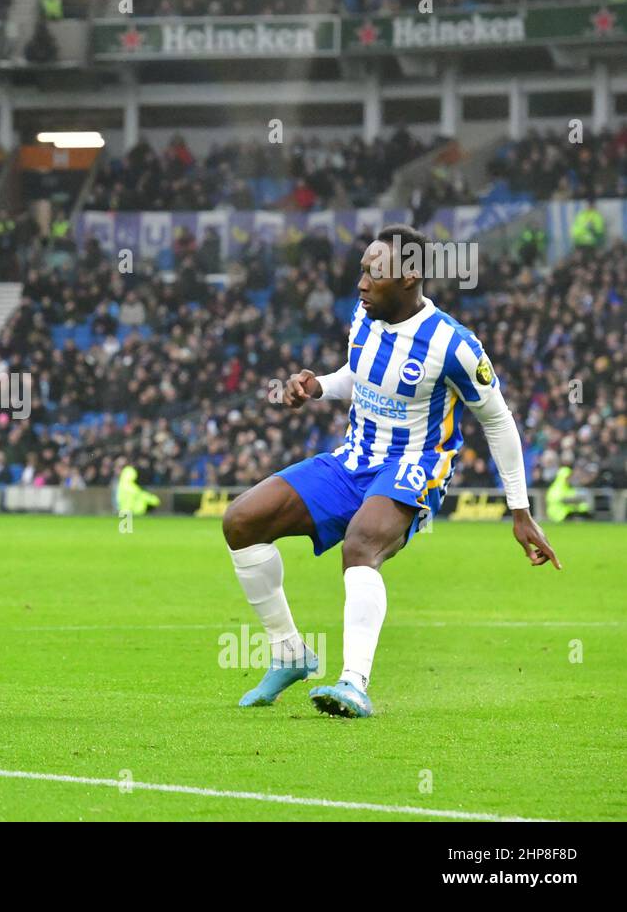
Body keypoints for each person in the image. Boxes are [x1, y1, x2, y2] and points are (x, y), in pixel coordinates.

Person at [220, 223, 560, 718]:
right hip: (353, 460)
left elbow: (498, 420)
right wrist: (317, 386)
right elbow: (358, 378)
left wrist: (520, 509)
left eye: (372, 273)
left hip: (414, 465)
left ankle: (354, 683)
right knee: (241, 522)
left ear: (410, 276)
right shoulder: (363, 318)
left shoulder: (453, 345)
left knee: (361, 544)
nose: (360, 283)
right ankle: (290, 652)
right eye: (361, 270)